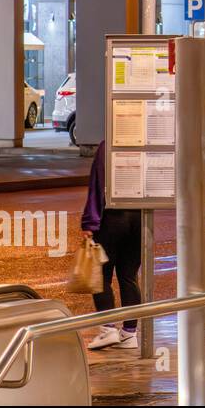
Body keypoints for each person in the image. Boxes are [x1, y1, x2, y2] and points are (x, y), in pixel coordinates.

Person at [81, 141, 141, 350]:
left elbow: (97, 185)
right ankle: (129, 334)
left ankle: (108, 329)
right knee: (129, 276)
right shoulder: (144, 144)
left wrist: (90, 222)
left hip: (112, 217)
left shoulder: (109, 146)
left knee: (100, 275)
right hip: (139, 216)